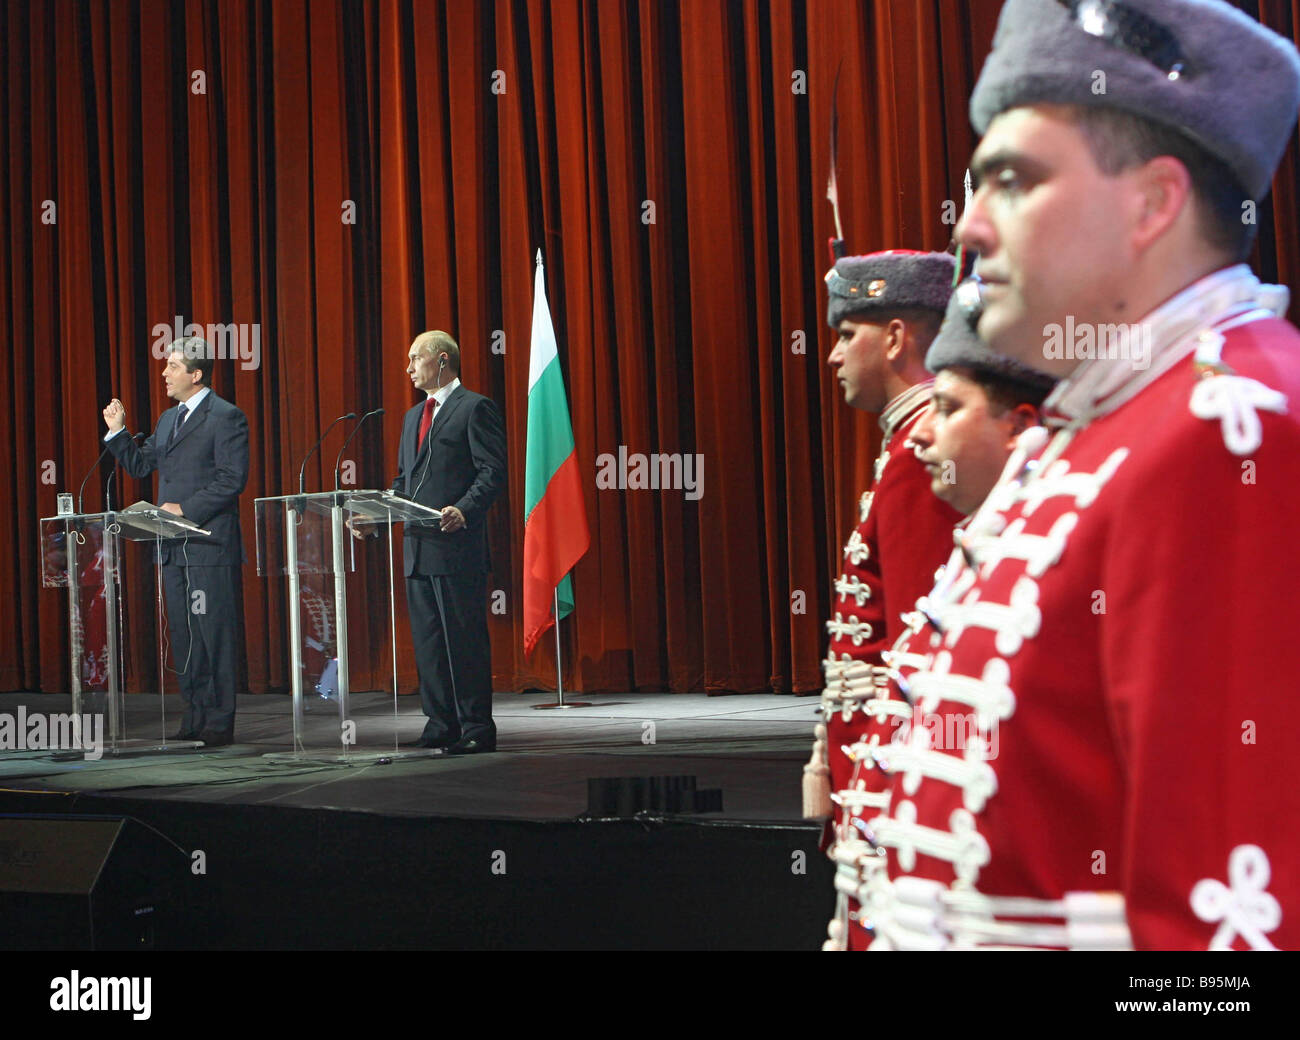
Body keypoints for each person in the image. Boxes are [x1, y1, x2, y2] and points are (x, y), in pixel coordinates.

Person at [860, 0, 1300, 950]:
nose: (968, 227)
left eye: (1012, 181)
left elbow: (1228, 936)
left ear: (1152, 204)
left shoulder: (1231, 429)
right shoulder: (1108, 422)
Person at [803, 250, 962, 951]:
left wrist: (874, 789)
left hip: (893, 781)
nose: (833, 356)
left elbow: (913, 656)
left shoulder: (923, 452)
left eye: (847, 335)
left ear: (896, 338)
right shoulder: (903, 444)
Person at [101, 337, 249, 746]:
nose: (164, 373)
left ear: (196, 374)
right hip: (172, 548)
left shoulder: (226, 416)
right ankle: (195, 714)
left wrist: (184, 509)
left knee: (213, 634)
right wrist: (118, 433)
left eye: (172, 366)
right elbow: (140, 464)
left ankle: (219, 720)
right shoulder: (168, 420)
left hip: (208, 545)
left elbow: (232, 479)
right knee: (184, 635)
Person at [387, 331, 506, 754]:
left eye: (415, 359)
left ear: (441, 360)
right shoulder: (412, 417)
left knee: (463, 641)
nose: (408, 368)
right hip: (417, 549)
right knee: (429, 643)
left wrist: (464, 509)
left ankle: (476, 727)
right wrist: (376, 520)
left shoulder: (475, 407)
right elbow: (405, 482)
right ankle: (440, 724)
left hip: (456, 548)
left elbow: (492, 471)